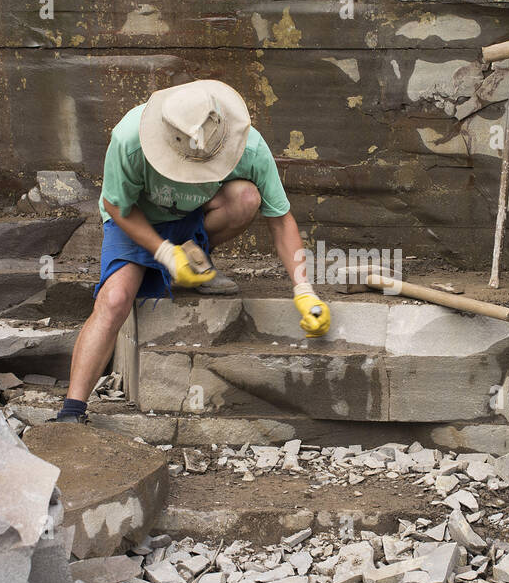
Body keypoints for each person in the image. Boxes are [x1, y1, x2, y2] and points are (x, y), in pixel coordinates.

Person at [51, 79, 331, 423]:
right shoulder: (129, 139)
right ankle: (72, 411)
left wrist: (304, 290)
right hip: (137, 219)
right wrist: (163, 252)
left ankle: (193, 259)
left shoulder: (249, 146)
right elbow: (116, 204)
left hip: (193, 214)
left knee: (246, 198)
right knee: (114, 300)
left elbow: (279, 217)